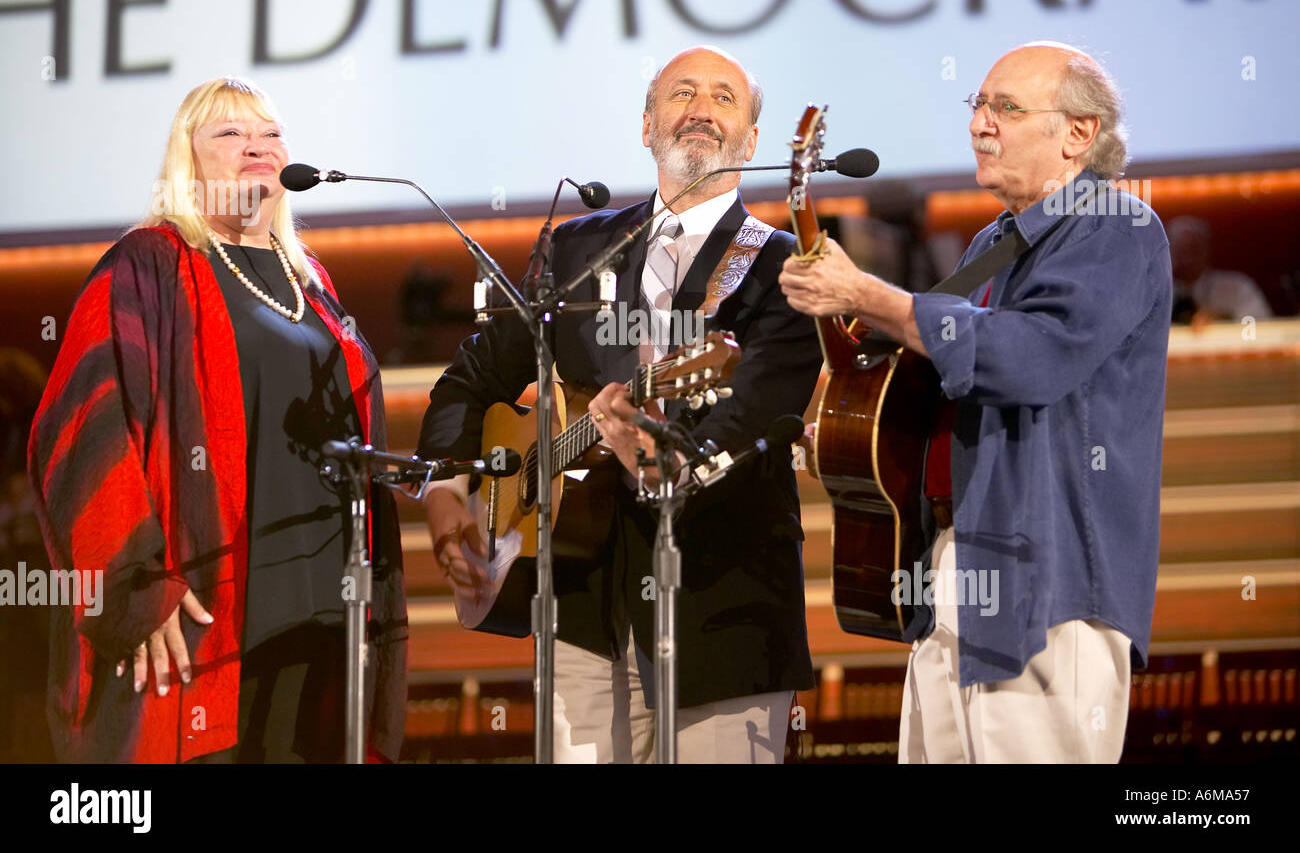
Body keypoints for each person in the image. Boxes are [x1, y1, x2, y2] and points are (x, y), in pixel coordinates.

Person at [418, 45, 821, 763]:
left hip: (722, 614)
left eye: (724, 97)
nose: (700, 110)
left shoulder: (782, 268)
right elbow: (475, 371)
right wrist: (447, 482)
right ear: (646, 125)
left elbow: (755, 420)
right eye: (681, 93)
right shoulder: (575, 250)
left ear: (753, 140)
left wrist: (659, 460)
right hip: (579, 617)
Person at [780, 42, 1172, 763]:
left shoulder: (1118, 228)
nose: (980, 124)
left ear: (1078, 133)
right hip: (949, 575)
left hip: (1047, 584)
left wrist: (867, 292)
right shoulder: (995, 243)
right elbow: (935, 381)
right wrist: (851, 430)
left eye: (1007, 108)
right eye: (978, 105)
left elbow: (1028, 358)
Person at [27, 77, 407, 763]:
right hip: (208, 618)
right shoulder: (151, 265)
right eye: (229, 134)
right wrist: (133, 588)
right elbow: (79, 427)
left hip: (323, 609)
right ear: (188, 162)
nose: (256, 146)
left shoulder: (313, 284)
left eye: (270, 133)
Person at [1167, 215, 1273, 324]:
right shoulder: (1155, 292)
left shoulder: (1238, 287)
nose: (1187, 259)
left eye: (1194, 250)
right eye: (1179, 251)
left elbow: (1261, 326)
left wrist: (1223, 320)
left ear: (1207, 251)